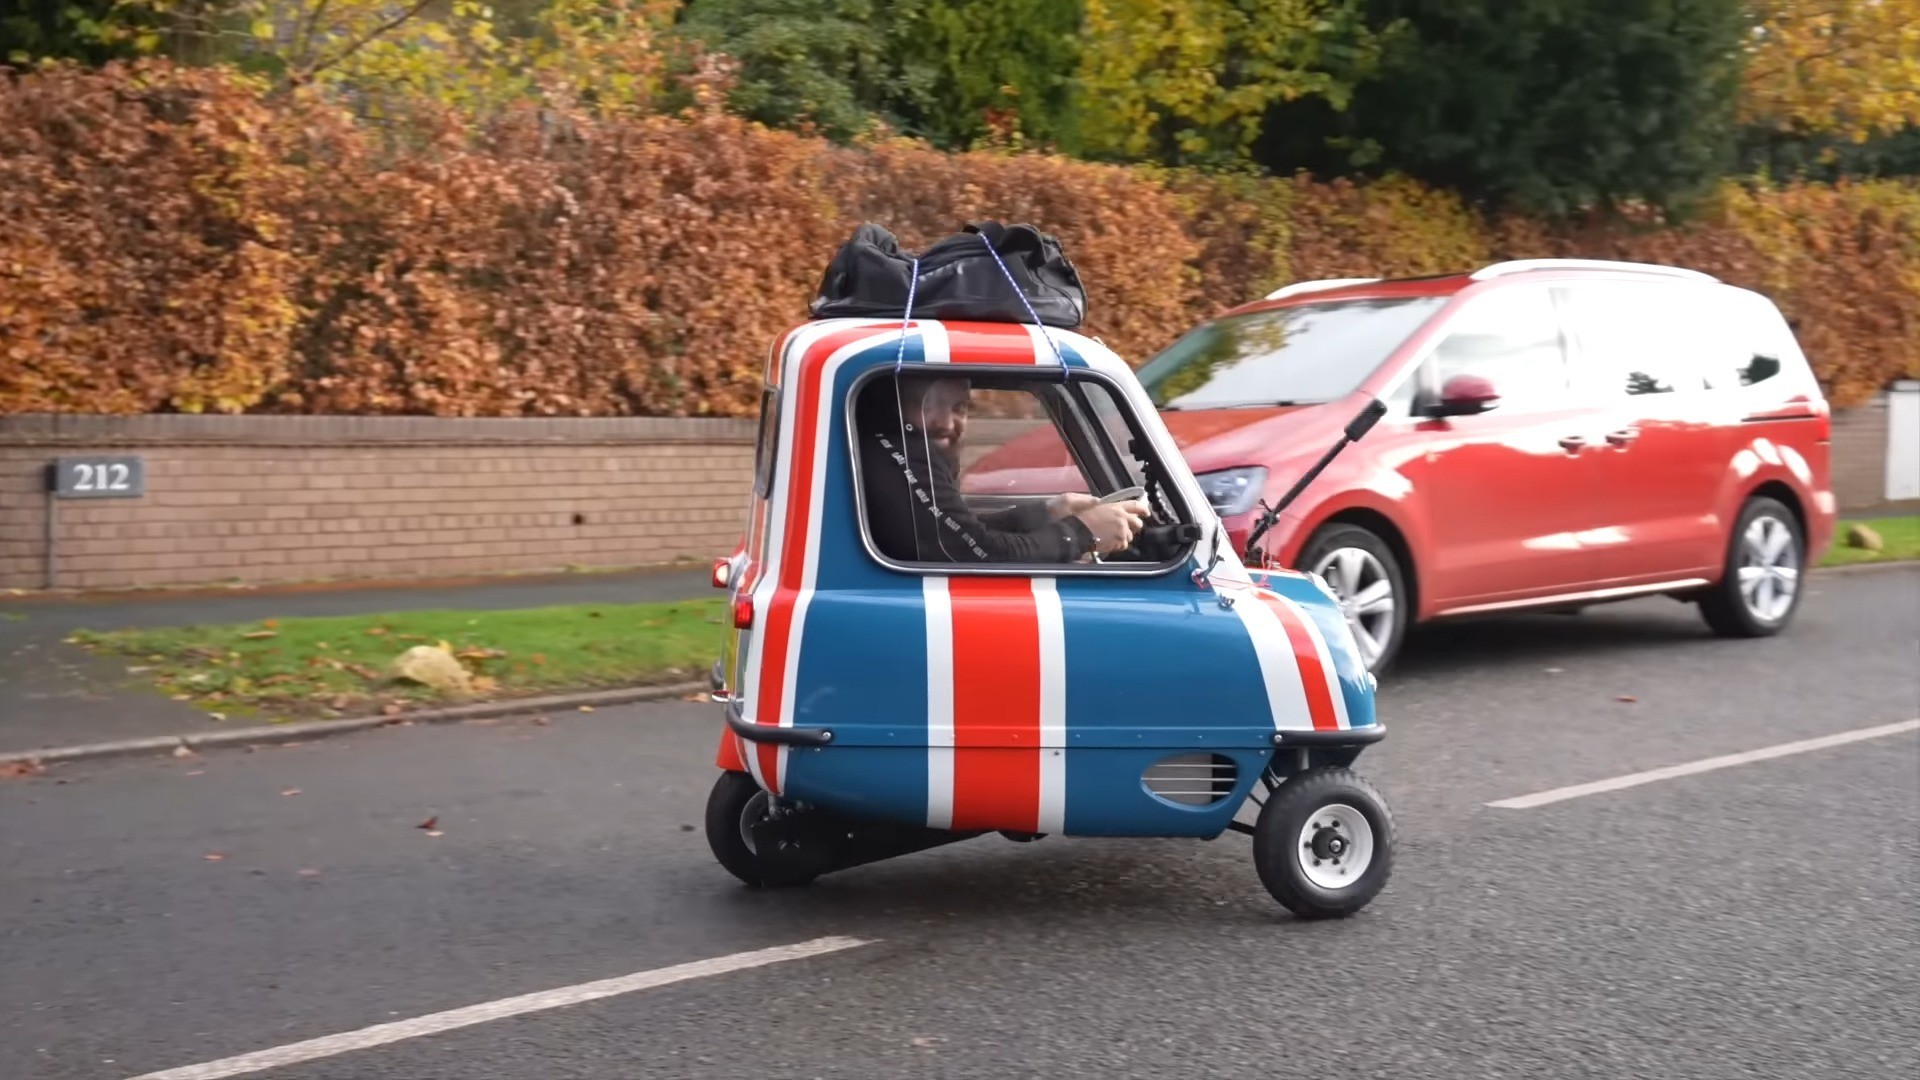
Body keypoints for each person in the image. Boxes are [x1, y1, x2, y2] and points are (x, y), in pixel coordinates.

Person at [857, 373, 1149, 564]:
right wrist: (1083, 533)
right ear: (891, 408)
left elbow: (950, 532)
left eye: (958, 408)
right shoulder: (897, 453)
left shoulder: (882, 452)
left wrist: (1045, 514)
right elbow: (978, 552)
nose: (946, 423)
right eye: (927, 405)